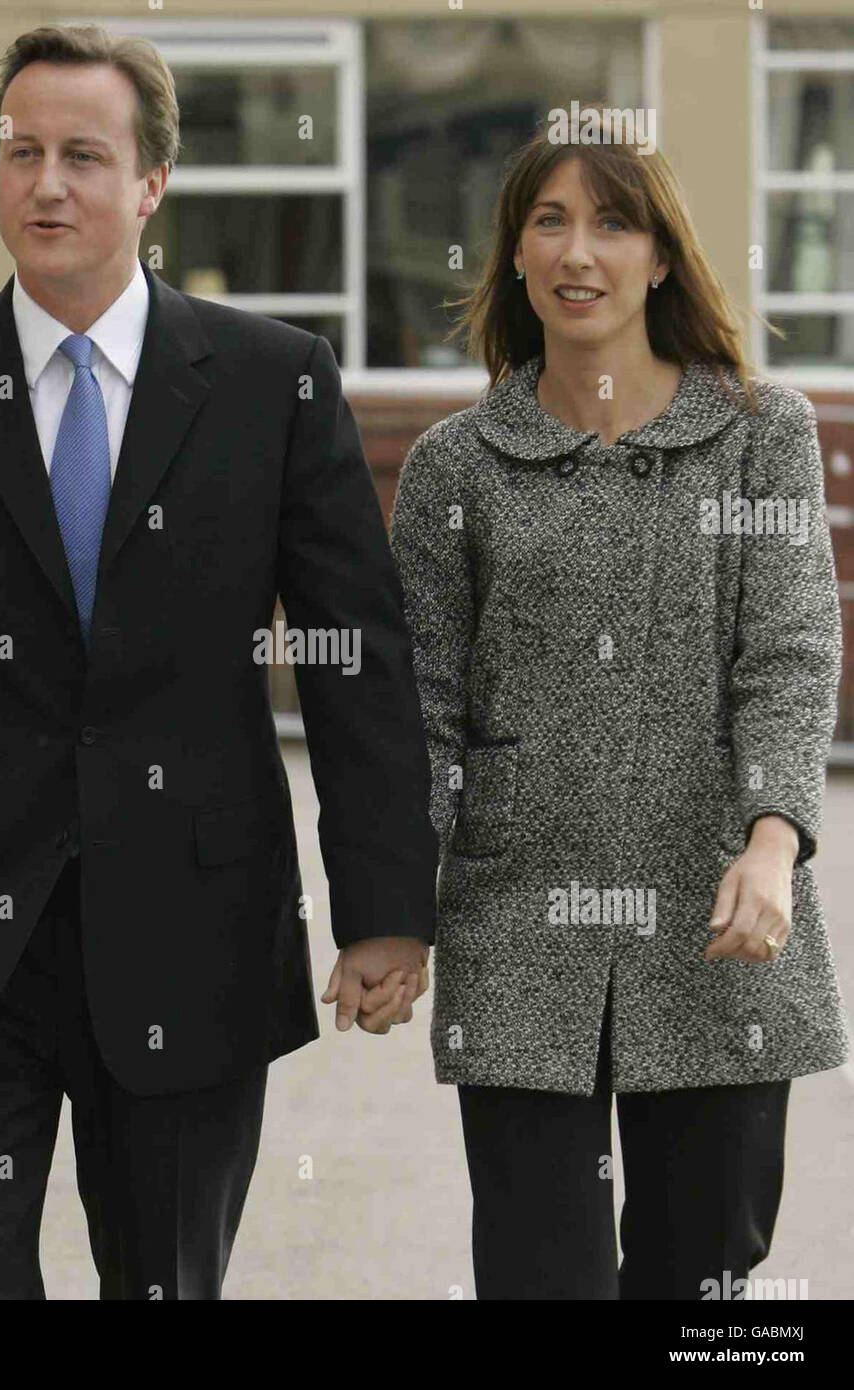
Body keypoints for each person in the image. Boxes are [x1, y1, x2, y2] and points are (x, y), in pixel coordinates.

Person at [0, 23, 435, 1301]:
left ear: (151, 183)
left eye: (83, 154)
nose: (47, 184)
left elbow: (357, 660)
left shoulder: (273, 382)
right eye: (22, 152)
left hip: (191, 933)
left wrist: (384, 905)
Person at [388, 110, 850, 1300]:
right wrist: (391, 911)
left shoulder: (760, 436)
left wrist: (769, 841)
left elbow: (790, 654)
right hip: (518, 931)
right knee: (541, 1279)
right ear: (513, 257)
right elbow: (423, 708)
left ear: (659, 256)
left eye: (611, 221)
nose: (576, 251)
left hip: (718, 925)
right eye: (548, 222)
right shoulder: (454, 465)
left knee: (702, 1284)